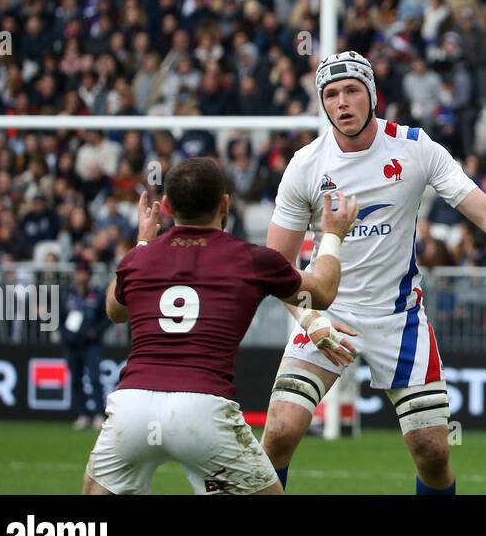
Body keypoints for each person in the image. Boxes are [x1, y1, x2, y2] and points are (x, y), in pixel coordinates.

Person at [260, 50, 486, 495]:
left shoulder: (414, 147)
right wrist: (309, 318)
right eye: (331, 94)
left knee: (432, 452)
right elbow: (275, 265)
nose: (342, 102)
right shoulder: (306, 165)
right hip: (327, 314)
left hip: (400, 320)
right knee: (278, 431)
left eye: (352, 90)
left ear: (373, 94)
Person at [82, 158, 351, 495]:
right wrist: (332, 236)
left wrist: (142, 244)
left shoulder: (140, 259)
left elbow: (114, 310)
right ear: (225, 204)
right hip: (202, 410)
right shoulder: (252, 259)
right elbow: (322, 291)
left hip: (132, 407)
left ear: (165, 207)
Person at [62, 263, 109, 431]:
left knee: (95, 378)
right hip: (72, 345)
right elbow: (59, 318)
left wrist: (95, 332)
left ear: (89, 276)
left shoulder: (96, 295)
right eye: (78, 273)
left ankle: (98, 414)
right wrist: (65, 335)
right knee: (75, 379)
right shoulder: (68, 295)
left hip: (91, 345)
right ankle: (82, 414)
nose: (80, 277)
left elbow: (107, 317)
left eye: (83, 274)